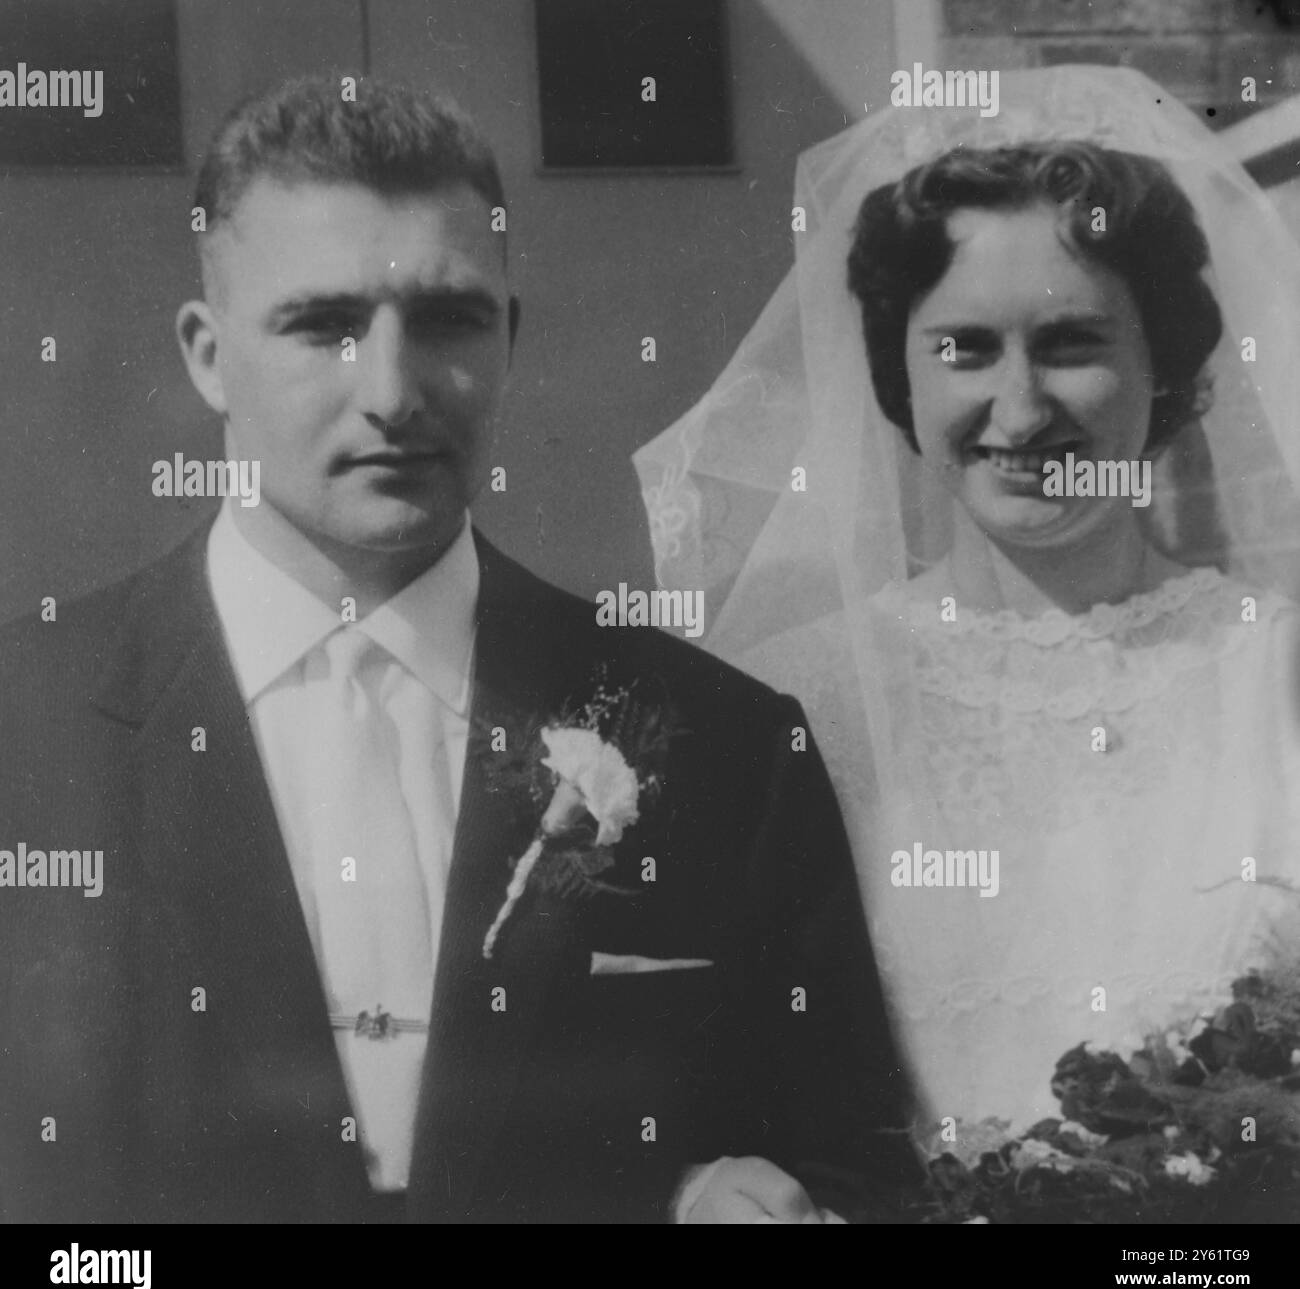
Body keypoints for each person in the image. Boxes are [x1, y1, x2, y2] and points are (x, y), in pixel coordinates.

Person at [0, 74, 911, 1224]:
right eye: (323, 325)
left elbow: (859, 1173)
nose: (392, 391)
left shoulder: (722, 739)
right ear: (207, 352)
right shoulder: (22, 724)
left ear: (510, 337)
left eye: (445, 321)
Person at [634, 66, 1300, 1152]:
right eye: (966, 348)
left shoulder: (1276, 675)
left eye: (1074, 342)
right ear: (899, 377)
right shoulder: (800, 702)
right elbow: (702, 1095)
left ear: (1164, 363)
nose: (1022, 407)